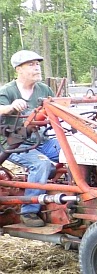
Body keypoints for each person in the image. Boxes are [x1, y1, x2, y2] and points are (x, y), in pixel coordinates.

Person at [0, 50, 60, 227]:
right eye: (31, 64)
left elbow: (56, 108)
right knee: (42, 164)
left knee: (73, 151)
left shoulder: (44, 89)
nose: (37, 68)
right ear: (18, 69)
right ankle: (29, 211)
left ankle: (76, 198)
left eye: (38, 64)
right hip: (14, 144)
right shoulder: (8, 91)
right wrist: (10, 107)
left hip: (41, 141)